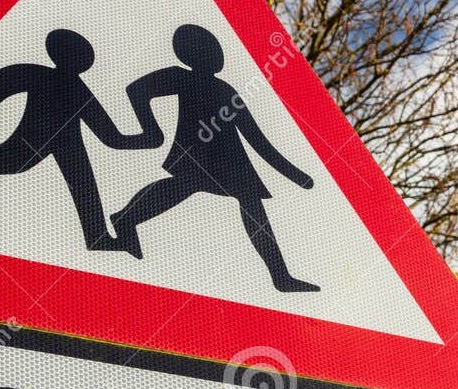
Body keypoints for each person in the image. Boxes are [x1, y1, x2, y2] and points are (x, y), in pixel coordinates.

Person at [111, 23, 320, 293]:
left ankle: (281, 277)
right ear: (192, 53)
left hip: (229, 159)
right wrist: (152, 131)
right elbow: (137, 90)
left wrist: (294, 174)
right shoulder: (182, 77)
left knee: (238, 201)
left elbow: (256, 138)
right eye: (211, 50)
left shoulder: (224, 89)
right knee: (184, 188)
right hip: (199, 153)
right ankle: (126, 218)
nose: (218, 56)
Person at [0, 28, 159, 251]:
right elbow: (0, 84)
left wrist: (146, 140)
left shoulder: (79, 89)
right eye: (80, 55)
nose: (85, 60)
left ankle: (97, 237)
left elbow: (109, 136)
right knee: (14, 162)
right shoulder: (43, 76)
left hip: (69, 144)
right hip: (36, 136)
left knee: (84, 186)